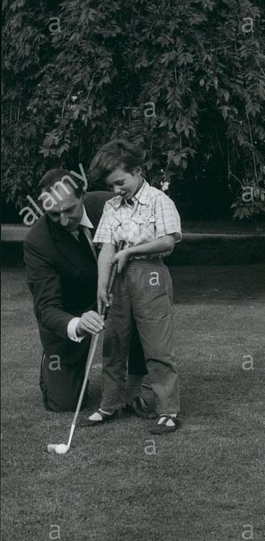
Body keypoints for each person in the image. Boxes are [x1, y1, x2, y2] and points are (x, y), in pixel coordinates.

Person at [23, 168, 149, 414]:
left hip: (120, 297)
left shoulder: (110, 205)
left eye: (69, 210)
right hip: (74, 310)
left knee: (141, 306)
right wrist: (77, 324)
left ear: (83, 195)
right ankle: (57, 367)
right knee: (63, 403)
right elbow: (46, 307)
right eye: (54, 214)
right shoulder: (37, 242)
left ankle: (134, 384)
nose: (64, 220)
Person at [86, 139, 184, 432]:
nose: (116, 190)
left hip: (150, 276)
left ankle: (168, 410)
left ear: (138, 171)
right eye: (112, 185)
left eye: (120, 182)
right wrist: (102, 286)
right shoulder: (112, 206)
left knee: (156, 345)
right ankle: (111, 404)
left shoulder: (159, 200)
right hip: (118, 278)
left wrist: (130, 251)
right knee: (114, 343)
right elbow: (106, 248)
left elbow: (169, 240)